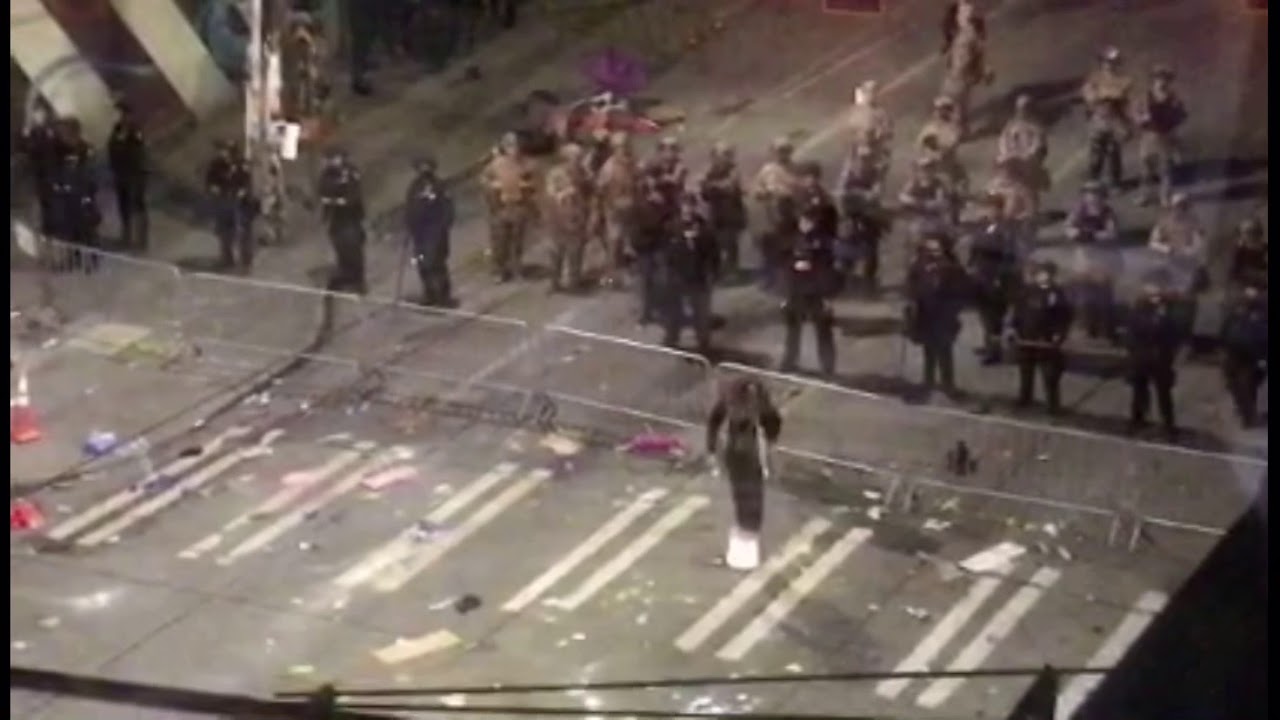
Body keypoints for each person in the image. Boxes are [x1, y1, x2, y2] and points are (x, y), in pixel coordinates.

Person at [706, 377, 783, 571]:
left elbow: (714, 420)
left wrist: (712, 449)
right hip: (750, 456)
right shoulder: (758, 405)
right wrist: (771, 440)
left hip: (736, 454)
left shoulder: (732, 401)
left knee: (743, 498)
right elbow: (774, 422)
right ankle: (747, 543)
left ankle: (745, 543)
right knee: (752, 499)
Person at [905, 237, 966, 397]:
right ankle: (928, 382)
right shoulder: (918, 268)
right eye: (929, 251)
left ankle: (948, 385)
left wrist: (953, 311)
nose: (933, 254)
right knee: (929, 351)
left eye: (936, 250)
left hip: (944, 317)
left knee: (945, 352)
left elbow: (960, 293)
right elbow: (911, 288)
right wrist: (912, 304)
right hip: (926, 316)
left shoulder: (952, 269)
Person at [1123, 275, 1183, 439]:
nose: (1155, 296)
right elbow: (1132, 333)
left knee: (1164, 393)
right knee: (1139, 391)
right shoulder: (1138, 310)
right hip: (1142, 356)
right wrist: (1134, 351)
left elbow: (1174, 334)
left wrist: (1170, 354)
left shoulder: (1168, 311)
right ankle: (1137, 420)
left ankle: (1168, 425)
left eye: (1157, 293)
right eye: (1151, 293)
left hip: (1161, 358)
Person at [780, 208, 838, 375]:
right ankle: (790, 361)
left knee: (823, 331)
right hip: (796, 291)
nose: (804, 225)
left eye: (808, 222)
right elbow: (786, 268)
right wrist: (785, 294)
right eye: (803, 221)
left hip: (816, 292)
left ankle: (827, 366)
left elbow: (827, 270)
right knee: (793, 330)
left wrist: (827, 296)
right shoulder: (794, 240)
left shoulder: (823, 242)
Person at [1011, 262, 1074, 414]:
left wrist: (1059, 334)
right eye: (1040, 273)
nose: (1043, 276)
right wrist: (1014, 328)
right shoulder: (1027, 291)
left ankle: (1053, 406)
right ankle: (1025, 398)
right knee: (1026, 371)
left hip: (1046, 339)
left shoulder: (1057, 293)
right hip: (1026, 337)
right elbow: (1018, 311)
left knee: (1050, 375)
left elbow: (1064, 317)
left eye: (1046, 273)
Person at [967, 194, 1023, 364]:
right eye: (986, 207)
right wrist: (970, 266)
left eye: (992, 208)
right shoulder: (983, 225)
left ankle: (995, 351)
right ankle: (989, 345)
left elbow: (1009, 254)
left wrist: (1000, 277)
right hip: (981, 275)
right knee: (985, 315)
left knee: (994, 316)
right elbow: (974, 248)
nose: (988, 211)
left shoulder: (1006, 229)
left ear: (999, 209)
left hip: (997, 277)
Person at [660, 195, 719, 354]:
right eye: (685, 206)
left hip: (698, 276)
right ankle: (671, 338)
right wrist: (682, 241)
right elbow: (666, 252)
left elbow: (713, 253)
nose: (688, 210)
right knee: (675, 310)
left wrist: (712, 272)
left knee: (701, 312)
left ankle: (703, 343)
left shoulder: (704, 228)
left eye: (691, 206)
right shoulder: (671, 227)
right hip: (678, 275)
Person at [1065, 181, 1120, 339]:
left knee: (1103, 295)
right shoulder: (1078, 210)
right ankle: (1086, 325)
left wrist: (1094, 236)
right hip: (1084, 256)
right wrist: (1077, 234)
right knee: (1083, 292)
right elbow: (1068, 227)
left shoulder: (1108, 213)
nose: (1092, 197)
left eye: (1096, 194)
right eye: (1089, 194)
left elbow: (1112, 233)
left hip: (1103, 257)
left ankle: (1106, 328)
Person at [480, 132, 537, 282]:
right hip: (501, 207)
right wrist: (493, 188)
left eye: (517, 146)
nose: (514, 150)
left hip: (518, 206)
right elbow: (484, 182)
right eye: (510, 146)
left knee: (517, 240)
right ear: (505, 148)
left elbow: (534, 183)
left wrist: (527, 187)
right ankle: (499, 270)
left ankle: (516, 268)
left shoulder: (525, 164)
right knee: (500, 241)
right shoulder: (495, 165)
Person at [404, 157, 456, 306]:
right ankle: (429, 293)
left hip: (436, 231)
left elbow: (448, 208)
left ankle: (444, 296)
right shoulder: (414, 187)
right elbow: (410, 207)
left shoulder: (439, 185)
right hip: (420, 233)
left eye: (427, 166)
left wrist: (444, 226)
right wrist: (409, 225)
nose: (424, 170)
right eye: (421, 167)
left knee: (436, 262)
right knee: (422, 263)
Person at [836, 144, 888, 293]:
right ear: (856, 159)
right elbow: (841, 192)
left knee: (871, 247)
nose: (864, 161)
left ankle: (869, 281)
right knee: (845, 246)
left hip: (868, 215)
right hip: (850, 213)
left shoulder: (876, 173)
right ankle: (843, 280)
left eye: (868, 158)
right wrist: (862, 195)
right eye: (861, 158)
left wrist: (855, 195)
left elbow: (876, 193)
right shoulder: (849, 173)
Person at [1080, 46, 1134, 190]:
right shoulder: (1094, 79)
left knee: (1113, 152)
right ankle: (1093, 179)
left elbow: (1125, 101)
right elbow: (1089, 97)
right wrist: (1106, 95)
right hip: (1098, 119)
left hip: (1115, 121)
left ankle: (1114, 182)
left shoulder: (1123, 80)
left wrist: (1129, 122)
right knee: (1096, 153)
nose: (1109, 65)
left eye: (1113, 62)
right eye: (1107, 62)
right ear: (1102, 62)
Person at [1134, 65, 1187, 208]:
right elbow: (1136, 114)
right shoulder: (1145, 97)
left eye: (1165, 79)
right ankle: (1145, 195)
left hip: (1166, 136)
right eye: (1158, 79)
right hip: (1149, 136)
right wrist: (1142, 119)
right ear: (1153, 80)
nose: (1161, 82)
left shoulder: (1173, 98)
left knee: (1166, 170)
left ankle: (1165, 196)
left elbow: (1182, 115)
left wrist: (1173, 118)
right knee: (1146, 170)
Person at [544, 143, 592, 293]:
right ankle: (555, 281)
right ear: (566, 158)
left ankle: (574, 282)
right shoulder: (555, 173)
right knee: (556, 250)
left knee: (576, 250)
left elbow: (591, 190)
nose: (578, 160)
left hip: (578, 216)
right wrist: (565, 193)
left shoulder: (583, 172)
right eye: (575, 157)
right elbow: (550, 193)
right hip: (558, 216)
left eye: (579, 157)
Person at [752, 137, 799, 289]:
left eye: (786, 150)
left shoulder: (796, 168)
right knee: (770, 247)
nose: (783, 153)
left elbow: (801, 188)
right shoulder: (767, 170)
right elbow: (756, 190)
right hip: (771, 212)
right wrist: (764, 193)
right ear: (774, 152)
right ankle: (768, 279)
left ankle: (787, 279)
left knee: (789, 246)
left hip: (790, 211)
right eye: (780, 150)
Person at [317, 148, 367, 292]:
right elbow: (323, 190)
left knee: (353, 248)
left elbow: (352, 197)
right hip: (336, 218)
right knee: (340, 248)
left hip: (350, 218)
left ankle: (357, 281)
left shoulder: (350, 173)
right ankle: (346, 275)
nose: (329, 162)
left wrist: (335, 200)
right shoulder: (328, 174)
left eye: (332, 158)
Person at [1219, 280, 1267, 428]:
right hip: (1238, 355)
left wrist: (1261, 358)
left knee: (1245, 385)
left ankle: (1248, 416)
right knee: (1239, 385)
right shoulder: (1238, 315)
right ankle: (1247, 413)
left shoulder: (1257, 317)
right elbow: (1225, 330)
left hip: (1249, 357)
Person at [596, 132, 640, 287]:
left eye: (626, 145)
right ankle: (611, 275)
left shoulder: (632, 162)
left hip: (632, 207)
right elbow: (600, 189)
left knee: (632, 240)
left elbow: (638, 180)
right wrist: (602, 209)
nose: (625, 149)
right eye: (621, 147)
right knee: (615, 242)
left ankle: (628, 271)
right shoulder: (608, 168)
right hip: (615, 209)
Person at [699, 142, 747, 280]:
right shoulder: (710, 171)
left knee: (731, 243)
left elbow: (730, 186)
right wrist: (713, 186)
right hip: (715, 213)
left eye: (728, 154)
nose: (727, 157)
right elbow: (703, 190)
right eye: (724, 154)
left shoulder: (733, 170)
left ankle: (732, 270)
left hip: (732, 212)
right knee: (716, 243)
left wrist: (713, 186)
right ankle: (720, 271)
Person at [633, 163, 673, 325]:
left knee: (662, 279)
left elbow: (671, 214)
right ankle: (645, 313)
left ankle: (661, 310)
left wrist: (661, 205)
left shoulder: (665, 191)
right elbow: (643, 221)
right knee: (645, 281)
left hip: (659, 243)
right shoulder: (639, 195)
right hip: (644, 244)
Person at [204, 140, 255, 272]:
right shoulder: (216, 165)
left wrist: (242, 191)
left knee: (243, 233)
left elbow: (247, 182)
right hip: (223, 201)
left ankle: (246, 262)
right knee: (224, 232)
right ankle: (227, 259)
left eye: (224, 150)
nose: (221, 153)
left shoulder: (241, 165)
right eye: (221, 150)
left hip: (240, 204)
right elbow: (209, 180)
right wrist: (213, 188)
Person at [50, 149, 102, 272]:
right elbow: (56, 188)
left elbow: (92, 188)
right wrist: (63, 190)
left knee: (88, 237)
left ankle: (92, 260)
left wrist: (86, 198)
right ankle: (76, 260)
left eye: (73, 161)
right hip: (71, 210)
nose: (71, 163)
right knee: (75, 237)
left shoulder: (84, 172)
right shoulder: (63, 174)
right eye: (69, 161)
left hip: (83, 210)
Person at [107, 102, 149, 251]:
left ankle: (141, 240)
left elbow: (138, 151)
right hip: (121, 174)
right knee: (123, 206)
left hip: (135, 174)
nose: (121, 117)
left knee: (138, 206)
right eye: (120, 114)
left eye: (124, 114)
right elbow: (112, 147)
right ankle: (126, 236)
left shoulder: (135, 130)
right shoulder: (117, 129)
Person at [20, 102, 62, 237]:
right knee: (42, 201)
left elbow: (57, 149)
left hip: (51, 171)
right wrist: (26, 138)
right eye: (38, 114)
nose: (41, 116)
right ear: (34, 116)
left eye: (43, 113)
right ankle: (46, 227)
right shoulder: (31, 132)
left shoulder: (51, 131)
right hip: (38, 173)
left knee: (52, 200)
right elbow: (27, 150)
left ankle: (53, 226)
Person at [1228, 218, 1267, 290]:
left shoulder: (1265, 248)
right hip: (1247, 288)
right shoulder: (1238, 252)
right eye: (1248, 232)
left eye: (1255, 231)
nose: (1252, 235)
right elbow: (1234, 274)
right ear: (1241, 235)